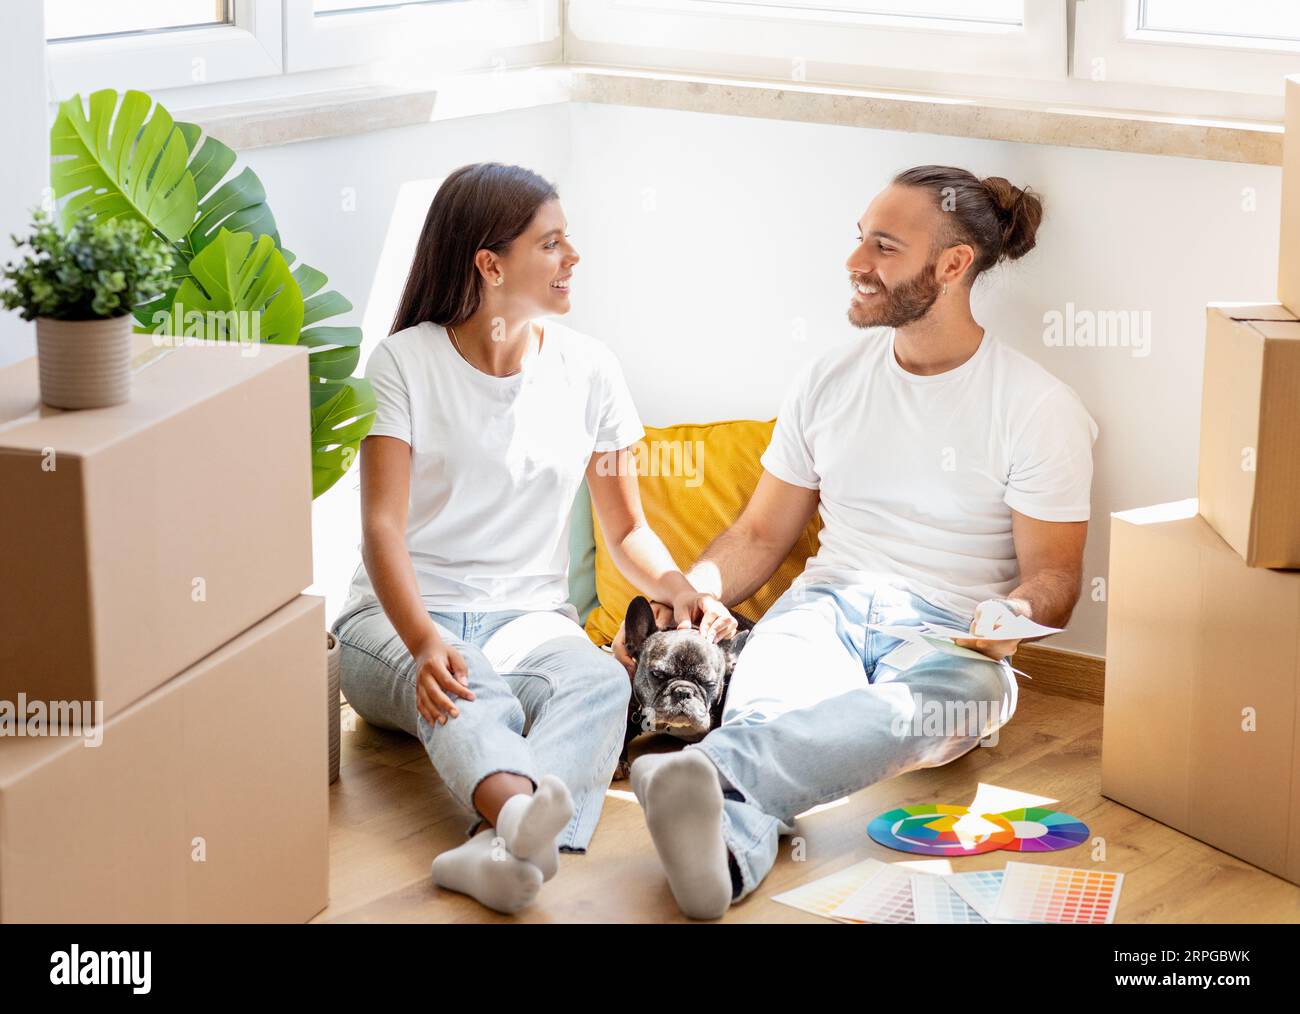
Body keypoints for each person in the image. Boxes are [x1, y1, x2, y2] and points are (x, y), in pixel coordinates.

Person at [616, 165, 1099, 919]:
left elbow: (1056, 580)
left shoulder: (1038, 407)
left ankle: (710, 775)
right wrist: (695, 589)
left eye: (883, 246)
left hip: (949, 634)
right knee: (768, 714)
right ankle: (723, 862)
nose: (855, 262)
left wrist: (1012, 615)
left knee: (977, 693)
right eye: (859, 239)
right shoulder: (828, 378)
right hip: (824, 608)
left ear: (953, 265)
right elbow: (758, 533)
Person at [330, 162, 735, 916]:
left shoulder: (590, 368)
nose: (572, 257)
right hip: (397, 619)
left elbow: (627, 530)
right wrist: (422, 639)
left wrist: (678, 587)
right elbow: (381, 529)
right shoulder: (404, 363)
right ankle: (519, 822)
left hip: (529, 621)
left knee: (600, 682)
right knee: (467, 676)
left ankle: (501, 852)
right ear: (490, 264)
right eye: (550, 244)